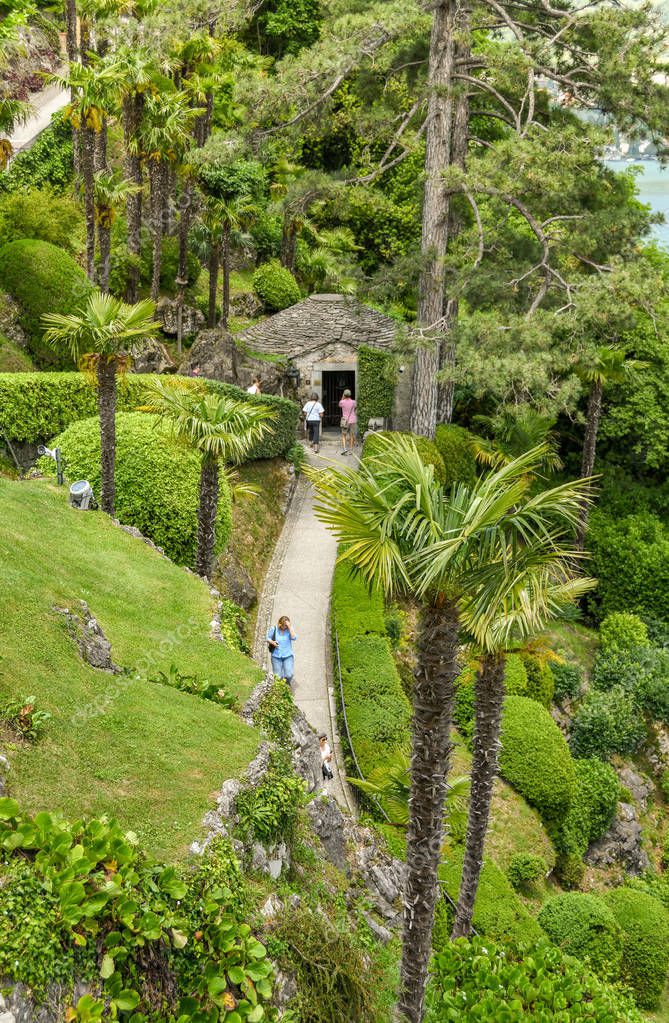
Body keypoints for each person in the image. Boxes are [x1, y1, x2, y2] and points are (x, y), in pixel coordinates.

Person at [267, 615, 296, 684]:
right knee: (277, 677)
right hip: (276, 656)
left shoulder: (289, 630)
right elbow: (267, 638)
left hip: (288, 656)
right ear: (280, 624)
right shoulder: (274, 629)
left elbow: (294, 638)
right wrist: (272, 642)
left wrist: (290, 627)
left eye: (286, 626)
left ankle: (286, 683)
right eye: (283, 625)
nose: (284, 627)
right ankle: (280, 689)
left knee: (289, 675)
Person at [338, 388, 357, 455]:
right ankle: (351, 449)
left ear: (344, 395)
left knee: (343, 435)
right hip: (352, 420)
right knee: (351, 435)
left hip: (345, 421)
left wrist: (342, 397)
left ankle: (345, 449)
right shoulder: (354, 402)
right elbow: (355, 408)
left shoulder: (342, 402)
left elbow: (339, 405)